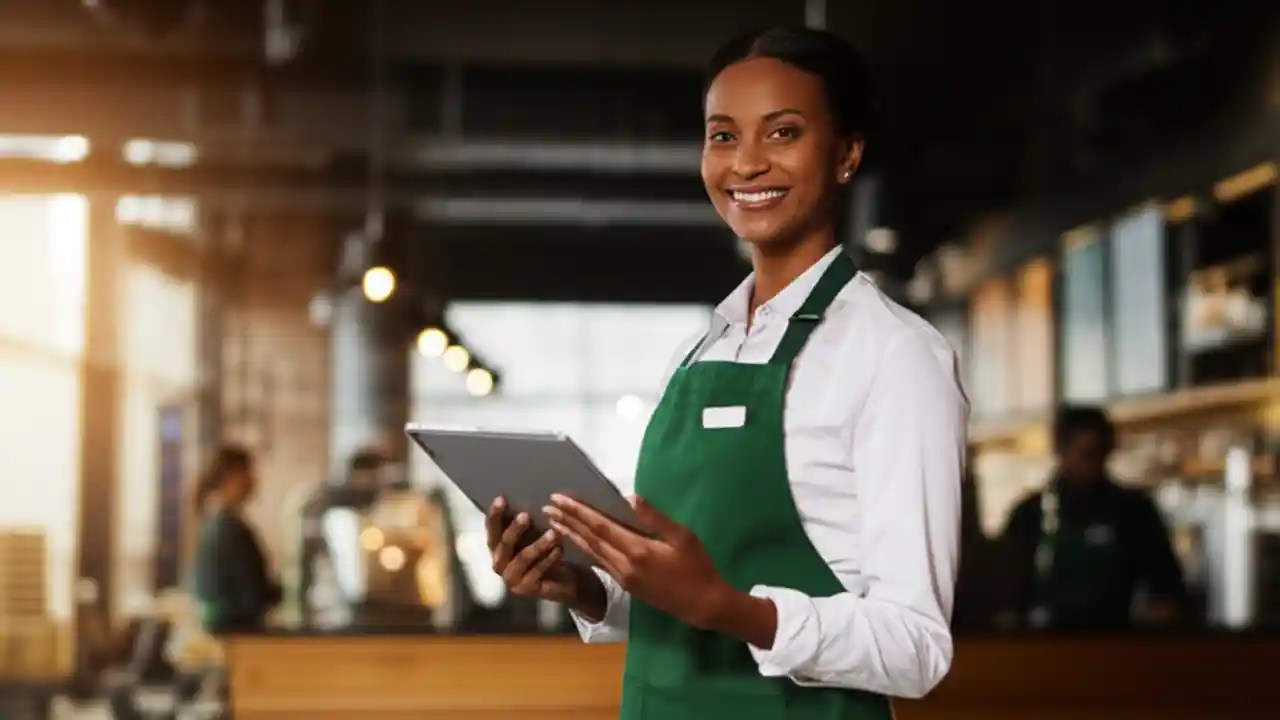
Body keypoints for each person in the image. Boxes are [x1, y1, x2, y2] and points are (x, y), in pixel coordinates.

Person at [486, 26, 968, 718]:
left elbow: (916, 648)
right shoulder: (702, 351)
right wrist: (584, 586)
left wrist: (727, 608)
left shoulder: (896, 356)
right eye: (722, 136)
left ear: (846, 155)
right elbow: (677, 602)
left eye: (782, 133)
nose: (745, 164)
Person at [1001, 405, 1187, 631]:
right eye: (1086, 455)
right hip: (1043, 650)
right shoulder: (1028, 515)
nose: (1092, 466)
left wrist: (1161, 610)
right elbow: (1005, 595)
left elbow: (1166, 585)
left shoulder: (1135, 512)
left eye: (1100, 454)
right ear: (1060, 450)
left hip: (1116, 647)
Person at [191, 445, 281, 634]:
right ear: (232, 476)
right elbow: (251, 591)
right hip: (237, 633)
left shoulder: (216, 521)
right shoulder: (227, 528)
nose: (254, 481)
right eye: (248, 473)